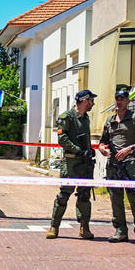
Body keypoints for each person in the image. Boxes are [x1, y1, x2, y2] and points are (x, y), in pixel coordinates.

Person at [98, 84, 135, 245]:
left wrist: (130, 148)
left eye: (122, 99)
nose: (119, 101)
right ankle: (120, 231)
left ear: (128, 101)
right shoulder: (110, 121)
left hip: (130, 163)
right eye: (117, 99)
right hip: (113, 164)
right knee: (116, 198)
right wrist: (102, 148)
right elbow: (102, 141)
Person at [47, 89, 97, 240]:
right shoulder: (66, 117)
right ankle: (54, 227)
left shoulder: (86, 118)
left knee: (84, 196)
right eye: (91, 101)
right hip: (71, 163)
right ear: (84, 100)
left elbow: (85, 139)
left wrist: (89, 150)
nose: (93, 103)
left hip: (85, 163)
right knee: (63, 196)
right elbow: (62, 139)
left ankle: (84, 227)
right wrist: (78, 150)